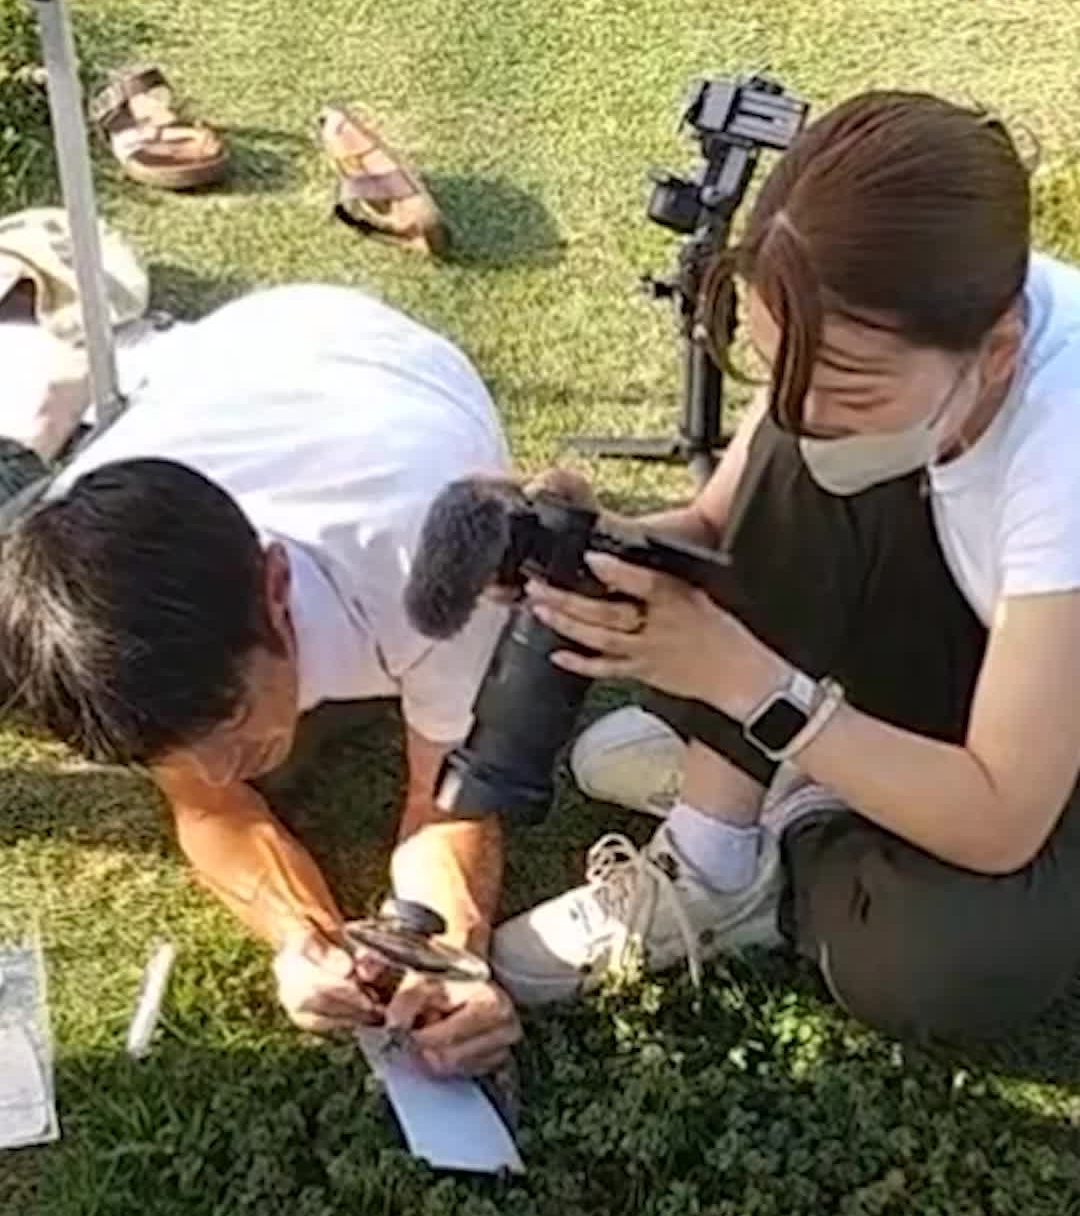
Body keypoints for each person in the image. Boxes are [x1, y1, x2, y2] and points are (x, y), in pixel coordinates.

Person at [492, 89, 1080, 1043]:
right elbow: (721, 528)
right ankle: (716, 850)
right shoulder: (892, 310)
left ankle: (787, 809)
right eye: (777, 367)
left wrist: (747, 686)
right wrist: (589, 545)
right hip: (978, 651)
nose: (806, 415)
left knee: (951, 961)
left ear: (1002, 352)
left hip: (1047, 766)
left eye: (848, 390)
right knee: (809, 460)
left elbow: (1004, 816)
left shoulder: (1066, 448)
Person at [0, 283, 521, 1075]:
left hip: (379, 368)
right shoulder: (84, 580)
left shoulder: (436, 576)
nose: (218, 771)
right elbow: (206, 802)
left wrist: (450, 959)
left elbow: (444, 803)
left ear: (276, 589)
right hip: (224, 370)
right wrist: (302, 940)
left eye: (228, 718)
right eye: (171, 747)